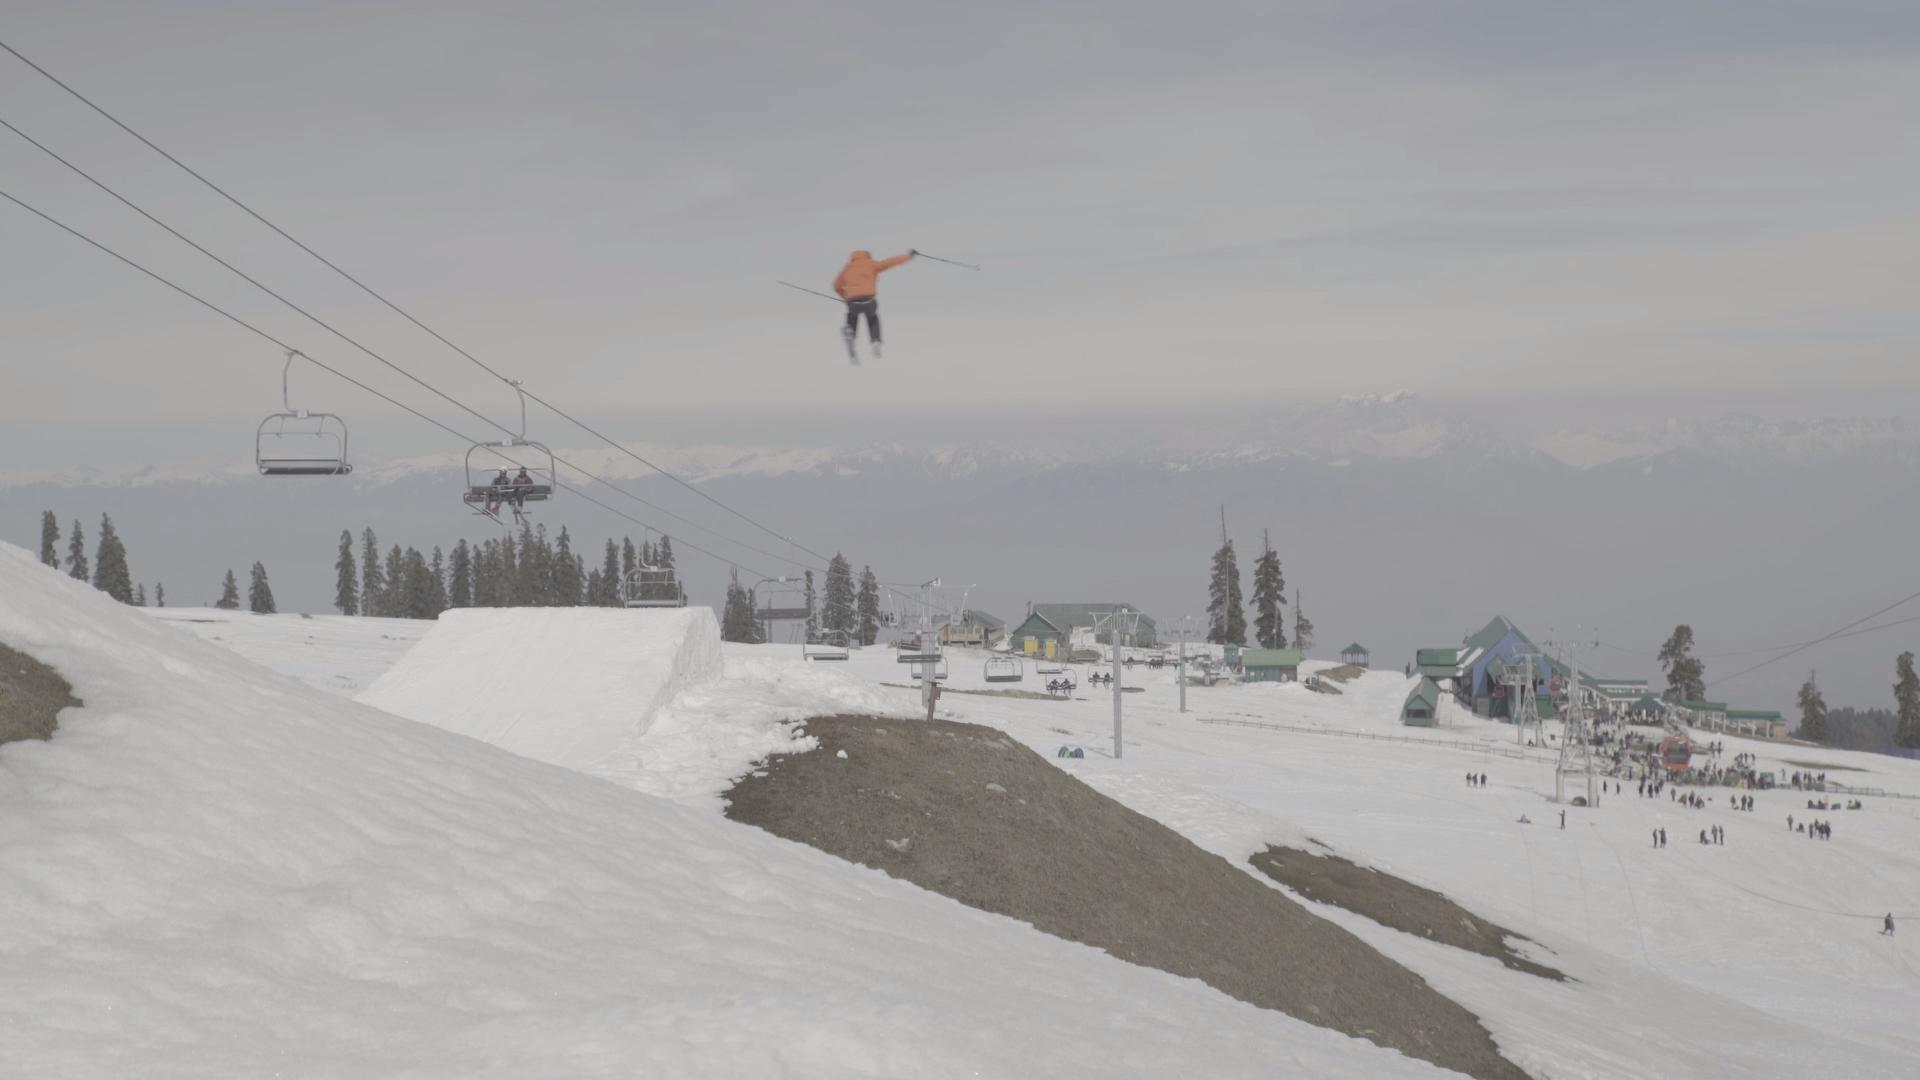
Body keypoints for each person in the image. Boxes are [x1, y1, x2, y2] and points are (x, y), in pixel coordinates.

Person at [833, 249, 916, 360]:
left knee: (852, 316)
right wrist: (909, 257)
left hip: (853, 302)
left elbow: (836, 286)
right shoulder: (871, 264)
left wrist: (845, 297)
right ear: (868, 256)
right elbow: (890, 262)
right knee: (872, 318)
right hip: (869, 301)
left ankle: (851, 334)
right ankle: (875, 341)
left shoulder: (847, 268)